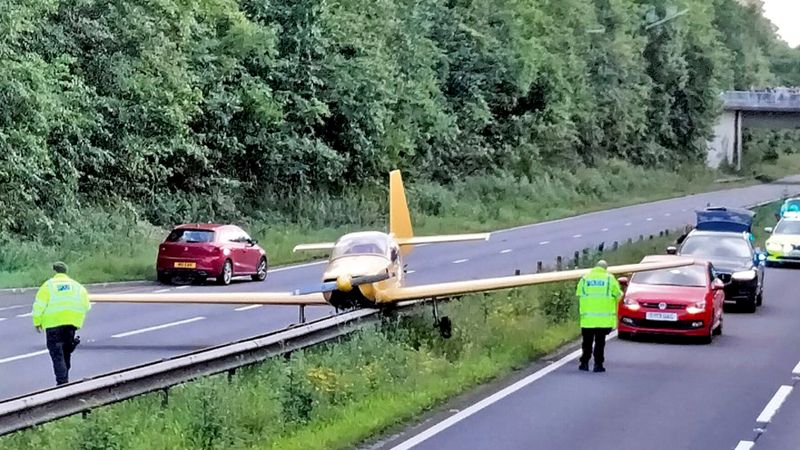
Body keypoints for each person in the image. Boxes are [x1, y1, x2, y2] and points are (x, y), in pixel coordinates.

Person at [32, 262, 91, 385]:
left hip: (53, 325)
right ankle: (65, 379)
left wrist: (37, 322)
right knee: (66, 352)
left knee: (57, 354)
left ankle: (62, 383)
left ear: (54, 271)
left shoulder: (48, 286)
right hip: (71, 325)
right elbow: (87, 305)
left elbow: (39, 305)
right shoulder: (77, 286)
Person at [575, 260, 622, 373]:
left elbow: (579, 294)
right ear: (605, 268)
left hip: (588, 318)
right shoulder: (610, 279)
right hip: (603, 319)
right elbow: (618, 295)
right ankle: (598, 365)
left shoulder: (585, 279)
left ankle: (584, 363)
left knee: (587, 342)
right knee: (600, 342)